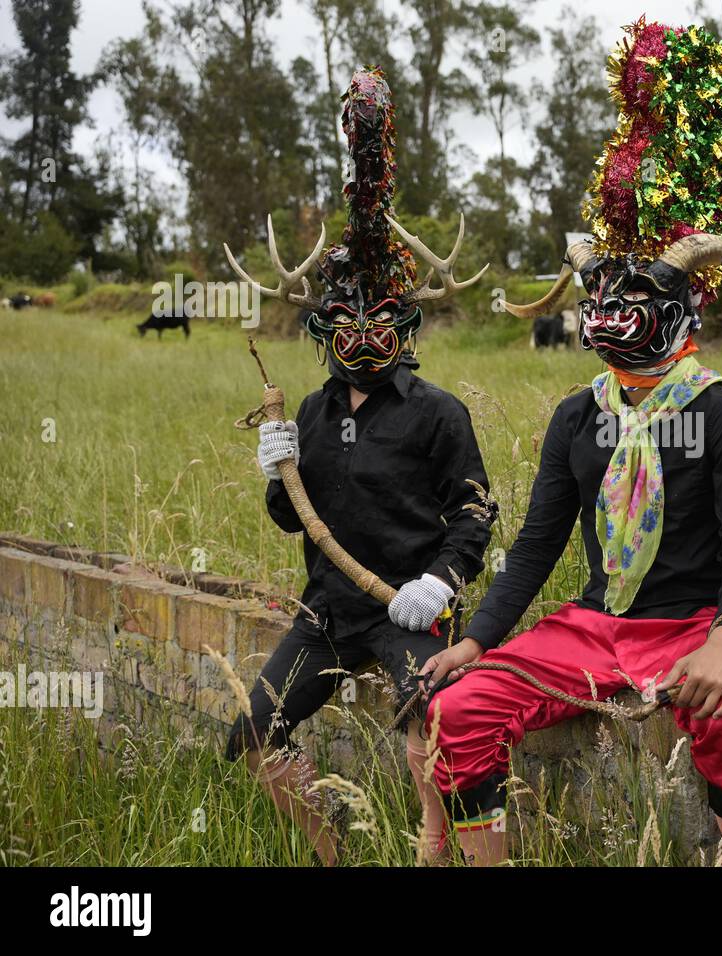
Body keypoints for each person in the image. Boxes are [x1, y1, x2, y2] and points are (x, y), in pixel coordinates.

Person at [417, 18, 722, 866]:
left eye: (638, 296)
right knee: (460, 707)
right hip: (596, 629)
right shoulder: (576, 415)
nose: (613, 313)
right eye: (601, 297)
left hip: (695, 623)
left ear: (685, 311)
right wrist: (478, 635)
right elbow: (537, 542)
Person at [223, 68, 492, 865]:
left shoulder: (439, 411)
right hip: (328, 610)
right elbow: (287, 519)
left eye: (382, 320)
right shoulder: (308, 410)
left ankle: (431, 852)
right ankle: (331, 848)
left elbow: (476, 511)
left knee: (432, 725)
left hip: (406, 609)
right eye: (348, 319)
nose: (364, 336)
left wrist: (439, 584)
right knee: (252, 731)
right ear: (324, 325)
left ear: (405, 326)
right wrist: (278, 474)